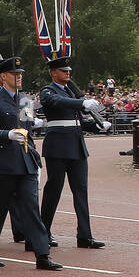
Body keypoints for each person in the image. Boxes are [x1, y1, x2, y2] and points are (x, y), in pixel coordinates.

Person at [0, 56, 62, 270]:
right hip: (3, 162)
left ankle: (42, 254)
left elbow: (29, 129)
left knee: (31, 208)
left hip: (25, 161)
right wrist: (7, 134)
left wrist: (34, 155)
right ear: (4, 76)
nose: (19, 77)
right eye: (15, 74)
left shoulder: (25, 100)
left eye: (21, 74)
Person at [38, 57, 106, 250]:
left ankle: (85, 235)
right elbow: (55, 102)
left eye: (68, 70)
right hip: (58, 147)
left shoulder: (71, 92)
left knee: (81, 192)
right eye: (63, 71)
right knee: (54, 191)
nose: (68, 73)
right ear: (53, 73)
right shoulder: (48, 91)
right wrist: (81, 103)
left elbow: (78, 121)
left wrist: (96, 126)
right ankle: (44, 231)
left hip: (76, 146)